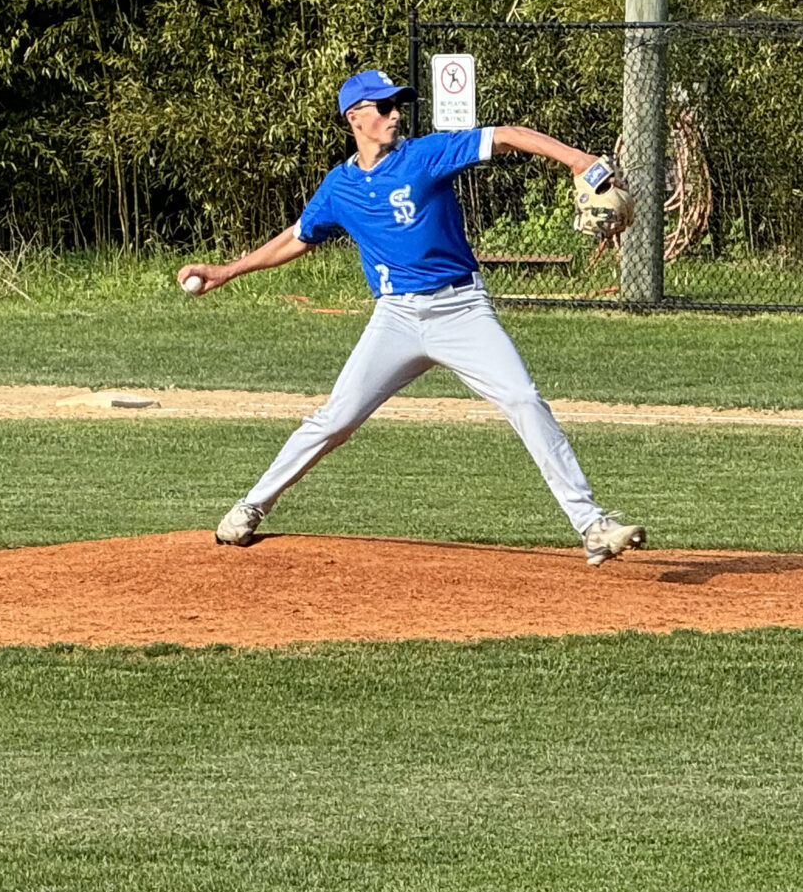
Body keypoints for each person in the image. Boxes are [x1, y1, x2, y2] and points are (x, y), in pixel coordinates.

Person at [177, 69, 647, 566]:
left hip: (461, 309)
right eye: (384, 106)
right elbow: (299, 236)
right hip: (396, 318)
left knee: (523, 399)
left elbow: (507, 136)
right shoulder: (340, 187)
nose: (395, 114)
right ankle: (251, 507)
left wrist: (579, 160)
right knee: (335, 420)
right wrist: (228, 271)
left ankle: (592, 526)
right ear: (355, 118)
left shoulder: (423, 156)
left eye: (397, 104)